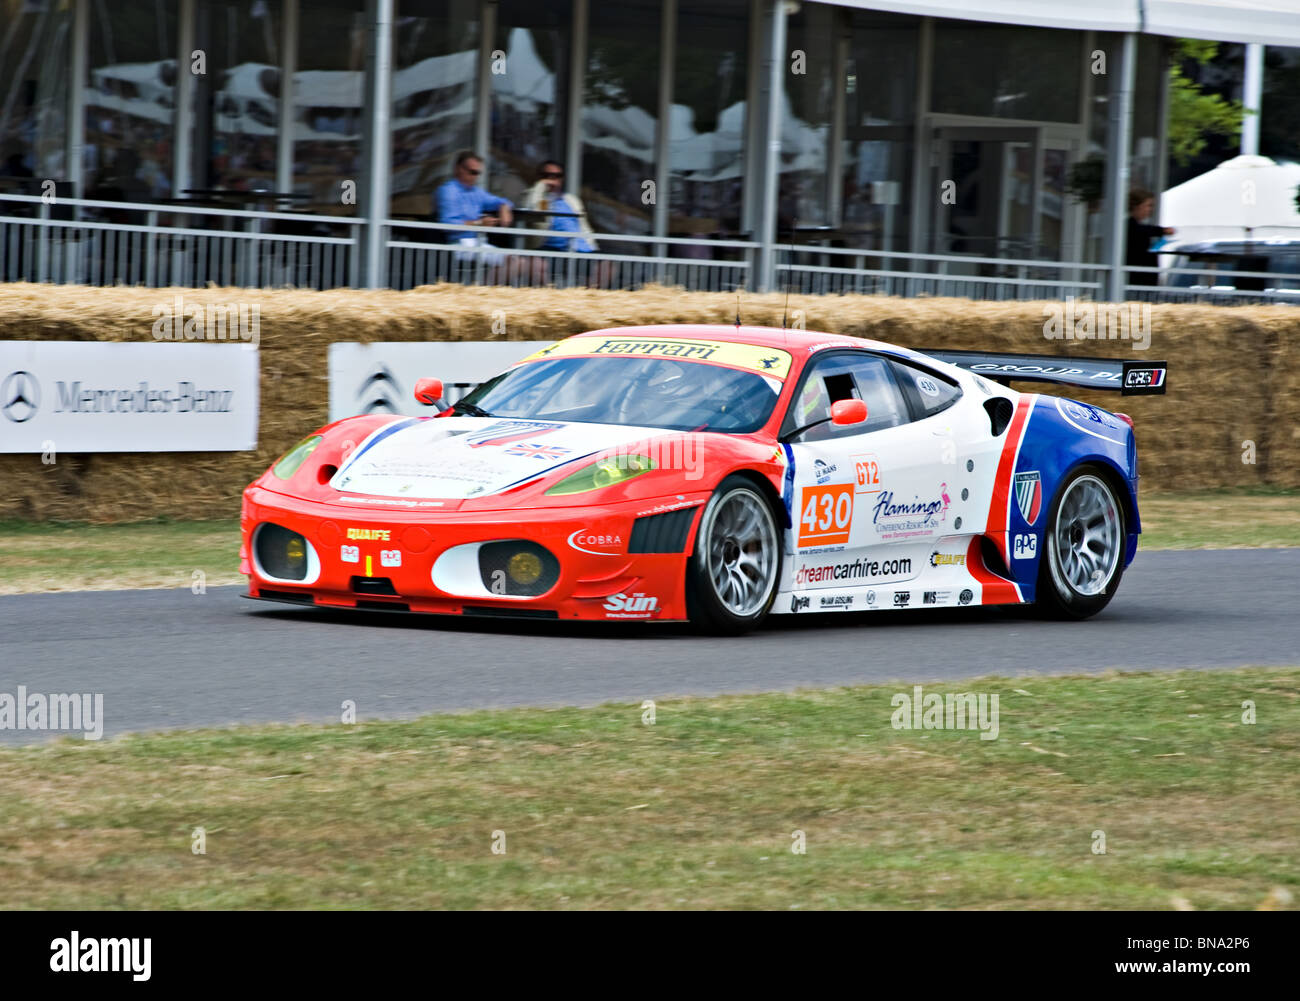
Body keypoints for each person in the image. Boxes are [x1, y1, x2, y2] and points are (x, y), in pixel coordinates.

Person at [434, 150, 542, 284]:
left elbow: (498, 200)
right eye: (472, 172)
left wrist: (504, 206)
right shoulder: (448, 191)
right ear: (458, 169)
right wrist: (479, 223)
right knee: (516, 262)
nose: (475, 177)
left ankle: (486, 290)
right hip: (459, 245)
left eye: (477, 173)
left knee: (533, 264)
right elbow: (448, 225)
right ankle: (482, 291)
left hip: (477, 243)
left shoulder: (475, 191)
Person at [523, 160, 614, 288]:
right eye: (546, 175)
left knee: (607, 264)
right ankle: (549, 300)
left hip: (581, 249)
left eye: (557, 176)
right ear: (539, 177)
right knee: (534, 263)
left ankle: (589, 298)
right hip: (552, 248)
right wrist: (540, 187)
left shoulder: (571, 199)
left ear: (562, 179)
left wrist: (592, 245)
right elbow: (535, 213)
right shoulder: (539, 198)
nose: (552, 179)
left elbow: (584, 226)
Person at [1126, 188, 1175, 288]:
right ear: (1137, 206)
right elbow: (1140, 231)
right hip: (1138, 280)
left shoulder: (1137, 227)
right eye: (1148, 205)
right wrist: (1162, 231)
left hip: (1144, 279)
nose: (1150, 210)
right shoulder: (1131, 227)